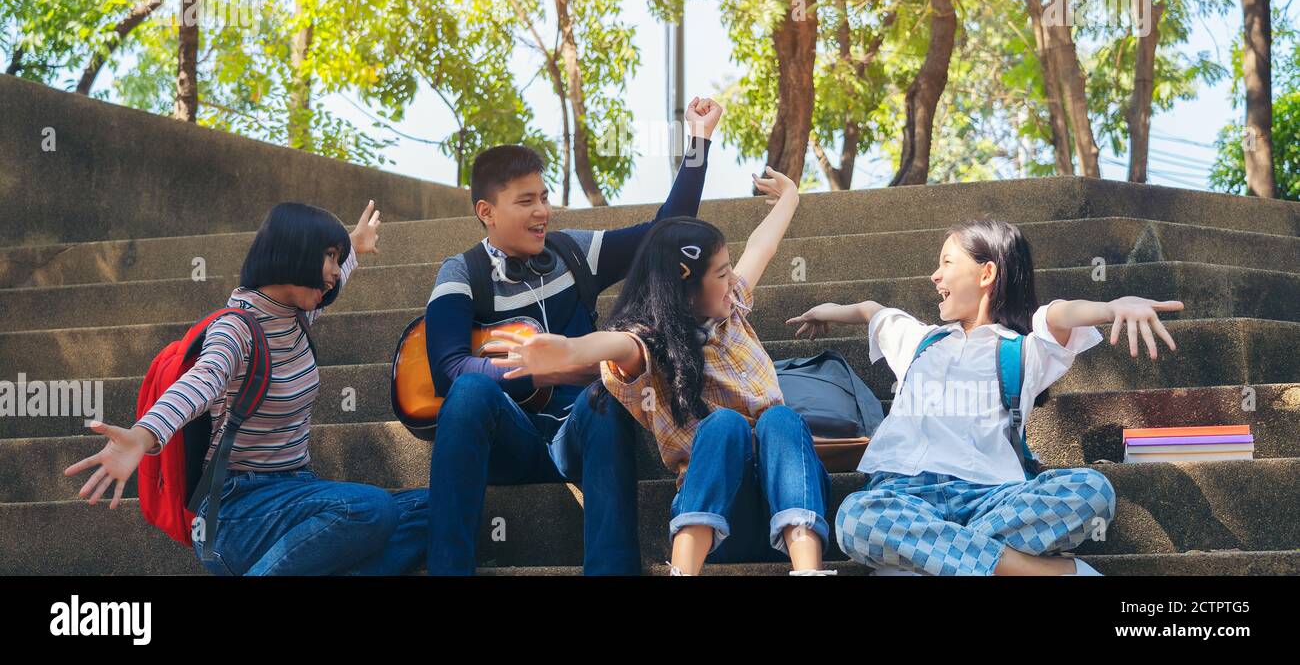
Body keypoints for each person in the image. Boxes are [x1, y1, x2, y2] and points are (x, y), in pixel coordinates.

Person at [424, 97, 722, 575]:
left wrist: (699, 142)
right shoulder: (462, 272)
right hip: (511, 440)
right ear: (487, 211)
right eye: (526, 201)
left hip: (583, 435)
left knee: (605, 396)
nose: (543, 211)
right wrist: (533, 372)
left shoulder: (573, 253)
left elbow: (665, 233)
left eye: (544, 197)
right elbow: (448, 370)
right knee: (469, 390)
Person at [787, 218, 1183, 576]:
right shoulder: (919, 341)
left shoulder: (1024, 352)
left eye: (946, 263)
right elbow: (871, 310)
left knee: (1093, 490)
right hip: (905, 496)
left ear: (987, 273)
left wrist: (1111, 307)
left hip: (993, 499)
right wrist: (828, 311)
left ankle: (929, 561)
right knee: (856, 518)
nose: (934, 275)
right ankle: (1045, 573)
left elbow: (1059, 313)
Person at [491, 166, 834, 576]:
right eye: (721, 274)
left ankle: (809, 571)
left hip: (795, 509)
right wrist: (567, 349)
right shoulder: (655, 347)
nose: (733, 280)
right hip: (722, 522)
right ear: (686, 289)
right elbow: (618, 344)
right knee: (724, 425)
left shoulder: (732, 309)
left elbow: (763, 247)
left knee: (780, 419)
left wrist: (790, 197)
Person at [65, 201, 429, 575]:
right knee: (369, 509)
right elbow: (203, 380)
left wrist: (353, 244)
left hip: (293, 496)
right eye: (330, 257)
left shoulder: (295, 317)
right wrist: (143, 436)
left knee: (435, 508)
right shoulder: (237, 328)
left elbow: (330, 278)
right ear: (294, 253)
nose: (336, 271)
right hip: (238, 509)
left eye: (338, 260)